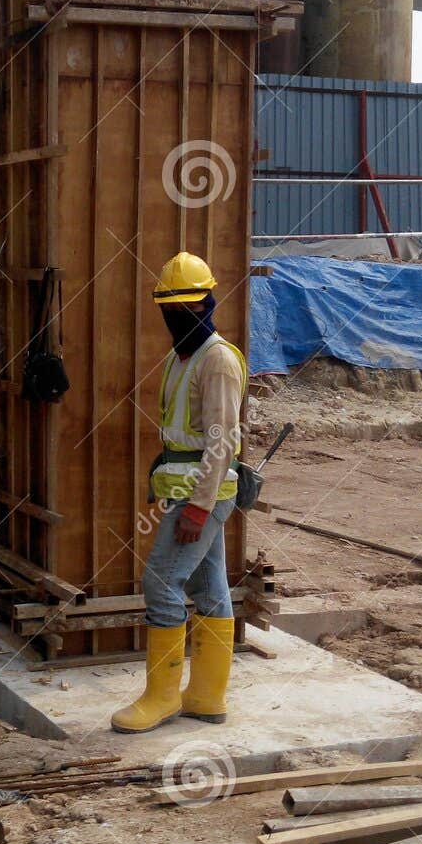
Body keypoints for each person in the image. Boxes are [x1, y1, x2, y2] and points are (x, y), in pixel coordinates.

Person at [111, 251, 248, 735]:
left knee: (161, 583)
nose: (177, 318)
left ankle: (162, 697)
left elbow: (222, 442)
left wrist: (198, 507)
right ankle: (207, 697)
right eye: (169, 310)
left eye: (186, 309)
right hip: (183, 489)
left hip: (202, 493)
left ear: (207, 305)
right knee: (208, 586)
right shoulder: (178, 358)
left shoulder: (218, 361)